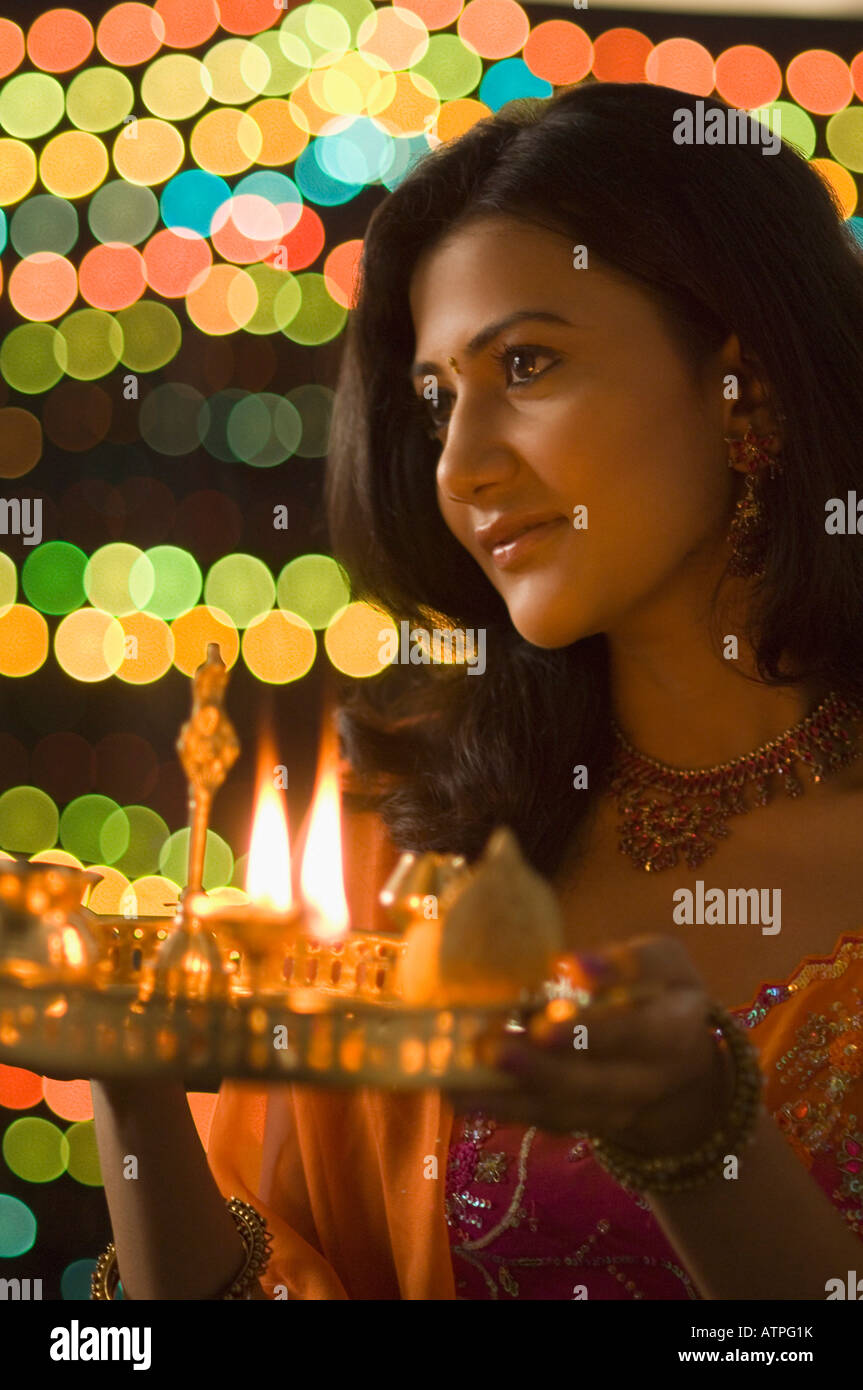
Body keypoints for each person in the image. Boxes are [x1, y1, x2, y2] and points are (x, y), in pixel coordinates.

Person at [95, 82, 863, 1300]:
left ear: (743, 387)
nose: (461, 467)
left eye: (526, 362)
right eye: (437, 401)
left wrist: (697, 1143)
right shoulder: (396, 851)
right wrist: (130, 1096)